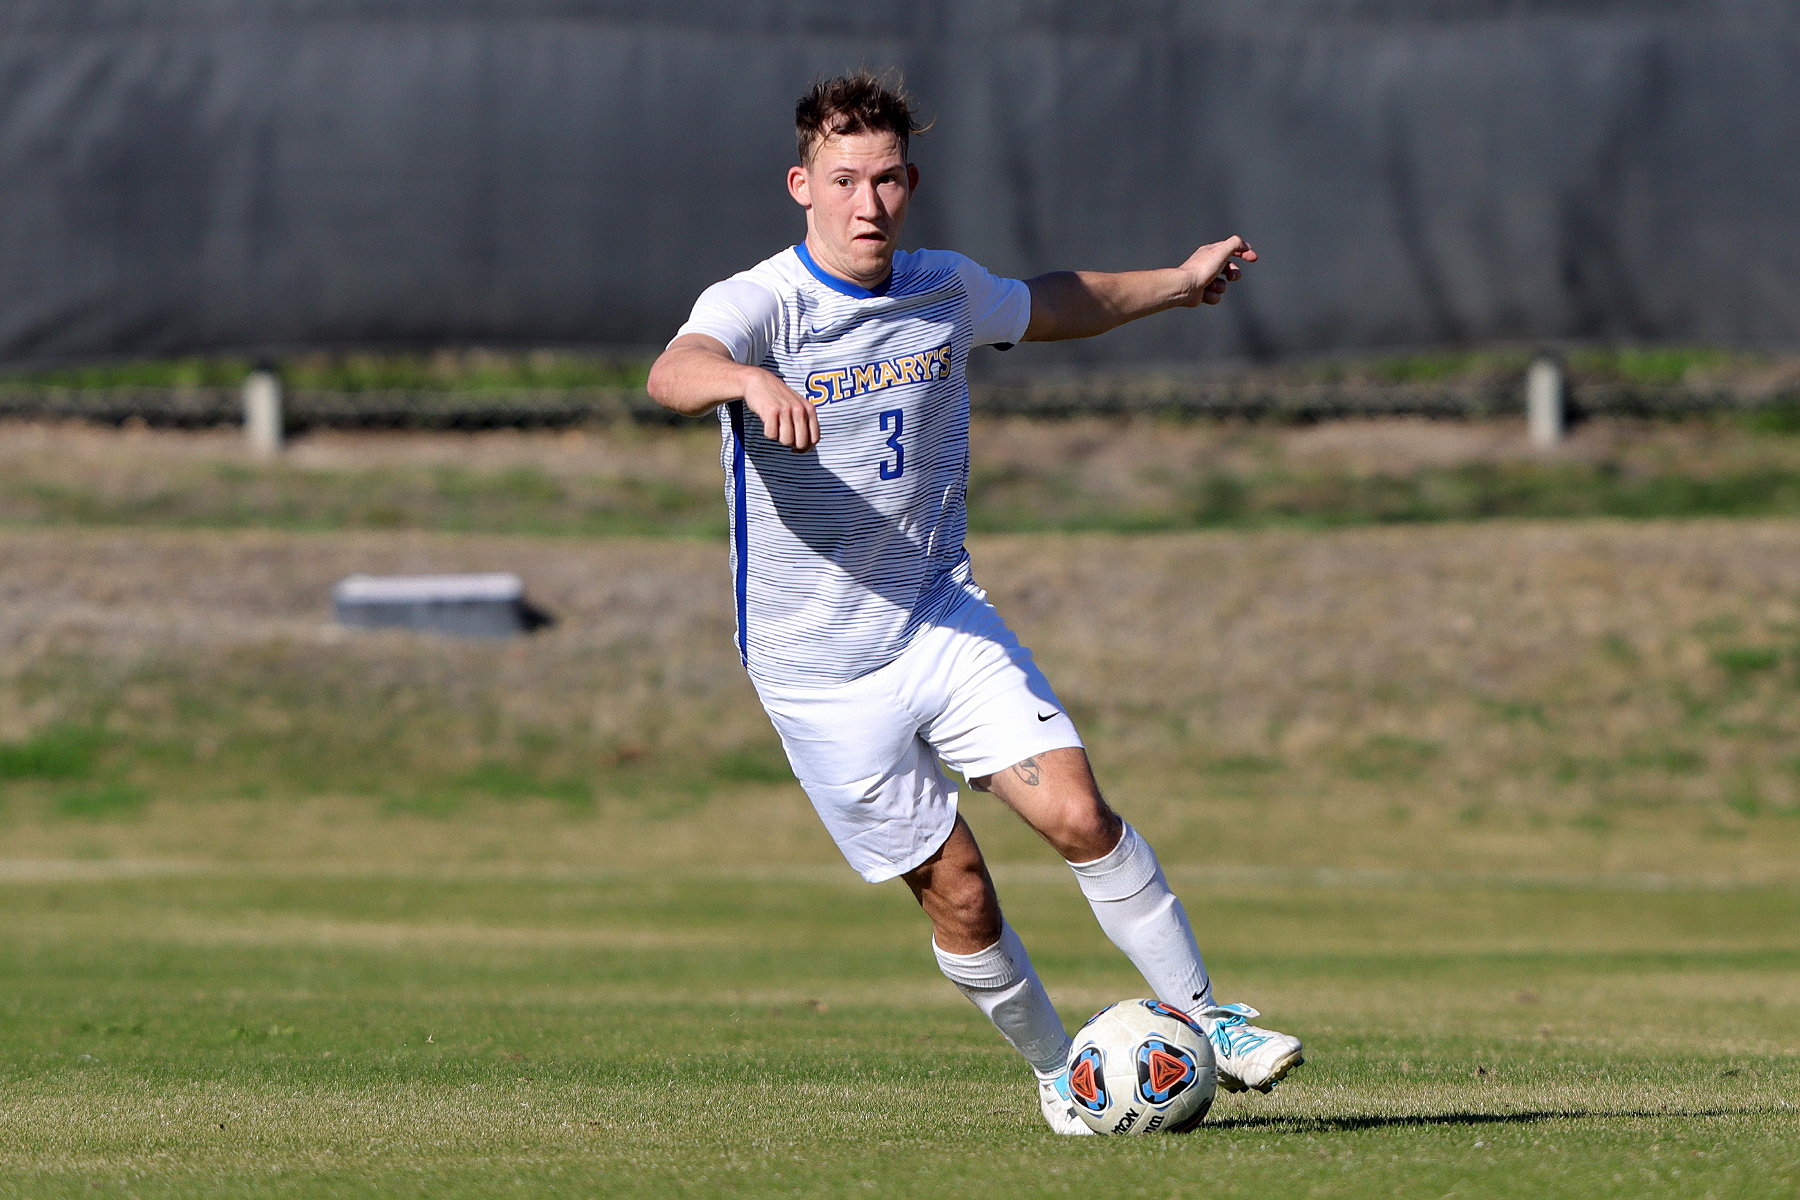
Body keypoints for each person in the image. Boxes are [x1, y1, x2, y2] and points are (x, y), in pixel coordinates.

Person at [647, 72, 1303, 1135]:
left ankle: (1208, 1017)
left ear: (912, 183)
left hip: (939, 619)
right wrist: (743, 382)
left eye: (889, 179)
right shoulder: (762, 305)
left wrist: (1180, 284)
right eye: (845, 180)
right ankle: (1061, 1073)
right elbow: (675, 368)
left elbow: (1053, 301)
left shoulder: (942, 288)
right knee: (962, 895)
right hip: (817, 672)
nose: (869, 204)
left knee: (1079, 813)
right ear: (801, 185)